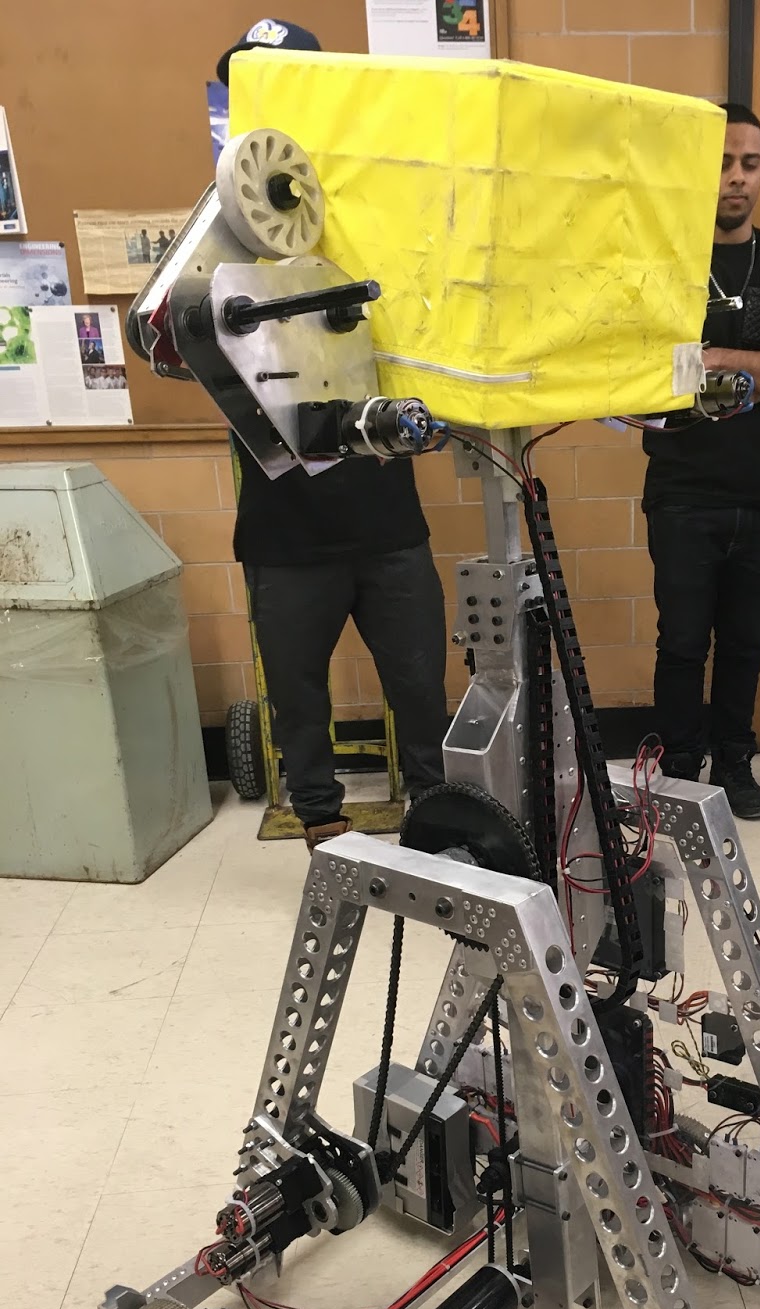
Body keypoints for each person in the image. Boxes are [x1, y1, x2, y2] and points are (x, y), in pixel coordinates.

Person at [217, 20, 448, 850]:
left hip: (386, 520)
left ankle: (438, 820)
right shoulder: (218, 241)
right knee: (298, 698)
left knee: (421, 686)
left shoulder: (370, 223)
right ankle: (322, 827)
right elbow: (172, 340)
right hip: (285, 529)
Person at [642, 104, 760, 820]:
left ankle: (737, 764)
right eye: (722, 163)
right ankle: (678, 772)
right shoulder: (666, 270)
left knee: (747, 643)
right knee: (683, 643)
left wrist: (718, 358)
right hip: (682, 490)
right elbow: (647, 371)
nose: (736, 178)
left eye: (749, 163)